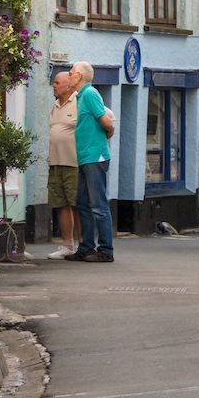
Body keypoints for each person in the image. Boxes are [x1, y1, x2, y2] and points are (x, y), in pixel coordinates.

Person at [64, 60, 115, 262]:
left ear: (80, 76)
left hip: (95, 157)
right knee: (82, 203)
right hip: (85, 157)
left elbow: (106, 121)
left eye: (71, 72)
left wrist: (108, 133)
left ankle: (106, 251)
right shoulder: (80, 96)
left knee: (98, 205)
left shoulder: (90, 93)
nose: (69, 75)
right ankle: (86, 248)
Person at [47, 70, 79, 259]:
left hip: (73, 163)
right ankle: (68, 245)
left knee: (77, 205)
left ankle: (84, 245)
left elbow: (106, 119)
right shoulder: (55, 105)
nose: (53, 85)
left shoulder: (80, 101)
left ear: (68, 85)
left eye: (57, 82)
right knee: (61, 204)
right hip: (56, 162)